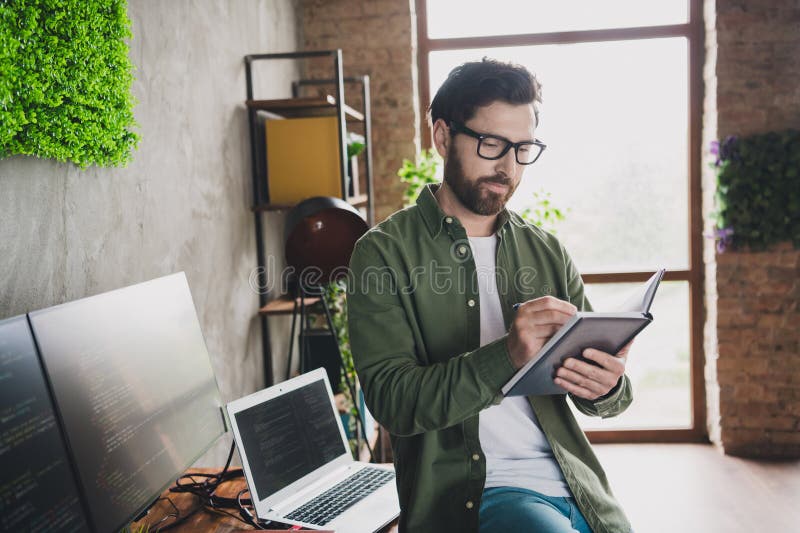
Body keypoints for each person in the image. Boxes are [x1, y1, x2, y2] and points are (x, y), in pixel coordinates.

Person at [347, 58, 633, 533]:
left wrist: (607, 385)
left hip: (584, 494)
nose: (507, 167)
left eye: (522, 149)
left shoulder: (546, 251)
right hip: (485, 498)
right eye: (492, 144)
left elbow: (607, 401)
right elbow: (393, 401)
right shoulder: (382, 254)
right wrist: (506, 355)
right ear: (442, 137)